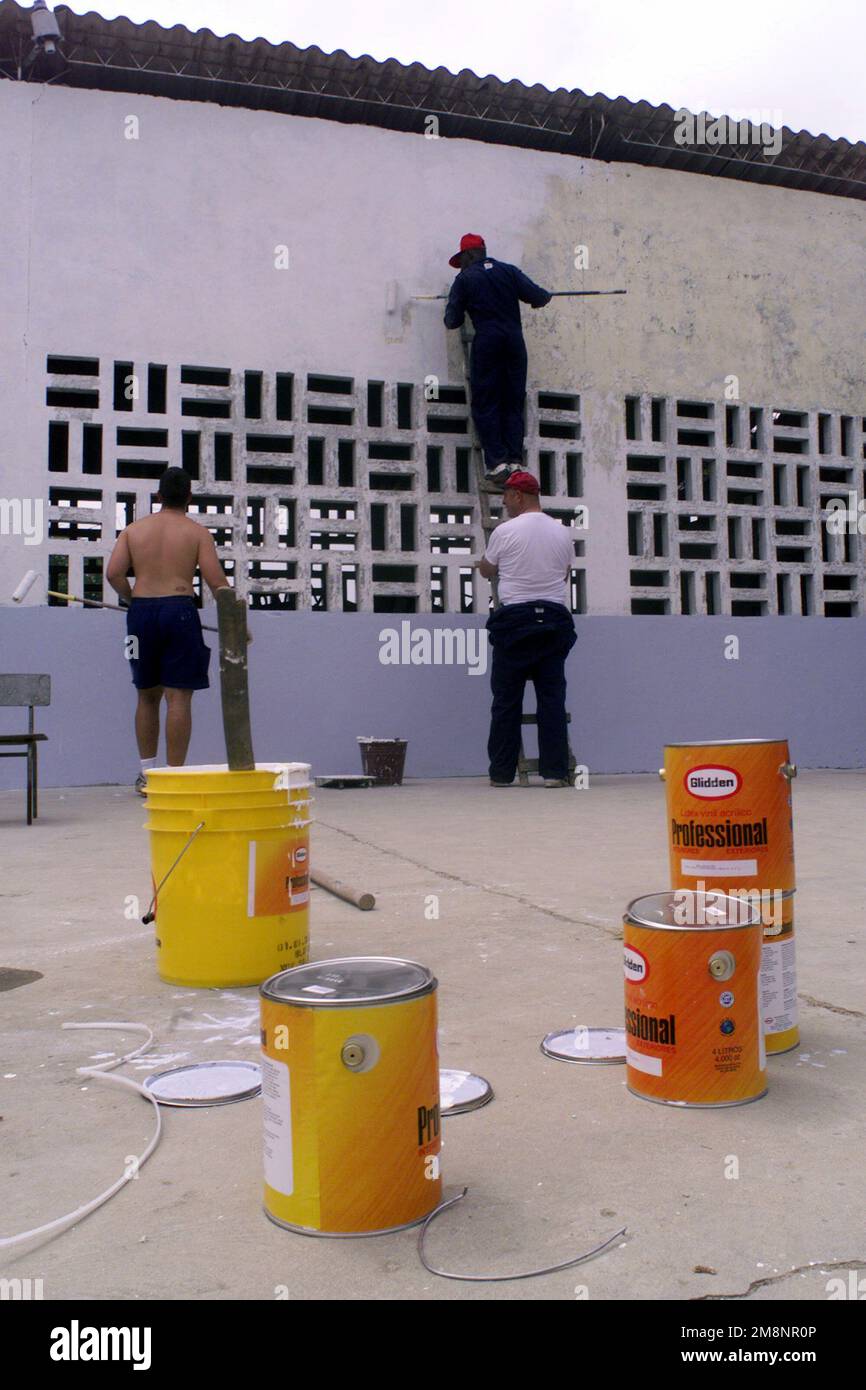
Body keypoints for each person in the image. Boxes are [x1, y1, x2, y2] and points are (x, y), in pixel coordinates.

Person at [106, 466, 229, 792]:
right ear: (189, 497)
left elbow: (114, 573)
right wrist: (235, 620)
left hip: (141, 615)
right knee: (178, 698)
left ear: (159, 496)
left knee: (146, 695)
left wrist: (133, 599)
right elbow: (216, 582)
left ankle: (147, 774)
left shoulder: (133, 530)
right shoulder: (197, 533)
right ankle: (174, 779)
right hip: (180, 612)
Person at [476, 470, 577, 787]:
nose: (504, 502)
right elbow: (564, 574)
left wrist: (483, 566)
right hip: (554, 620)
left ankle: (502, 773)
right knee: (551, 700)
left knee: (506, 701)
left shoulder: (504, 531)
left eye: (506, 495)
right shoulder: (562, 533)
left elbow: (489, 569)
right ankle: (555, 773)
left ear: (519, 496)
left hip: (516, 621)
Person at [443, 233, 552, 484]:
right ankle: (515, 460)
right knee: (513, 400)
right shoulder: (509, 272)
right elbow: (539, 297)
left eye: (463, 260)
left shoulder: (465, 279)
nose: (463, 265)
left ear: (470, 255)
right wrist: (543, 298)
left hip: (488, 342)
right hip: (514, 342)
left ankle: (497, 463)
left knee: (486, 401)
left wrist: (459, 303)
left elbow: (453, 321)